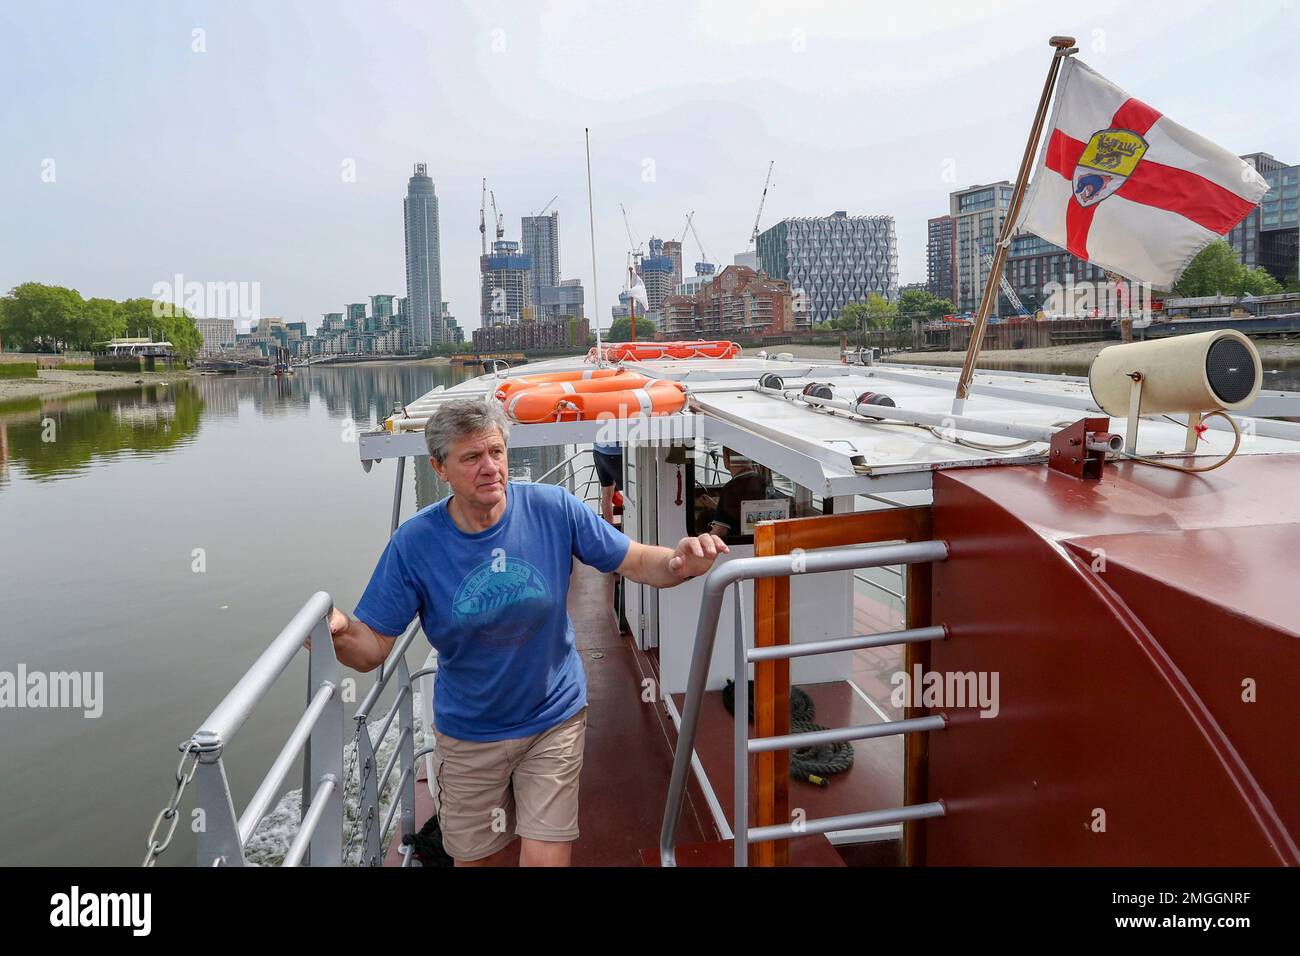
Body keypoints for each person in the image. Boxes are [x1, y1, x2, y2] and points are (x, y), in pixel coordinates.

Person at [324, 399, 728, 867]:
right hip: (470, 734)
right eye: (471, 458)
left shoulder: (552, 509)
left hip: (552, 719)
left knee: (544, 859)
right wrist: (335, 629)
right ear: (439, 468)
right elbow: (371, 648)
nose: (490, 467)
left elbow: (636, 560)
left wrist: (680, 562)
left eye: (496, 451)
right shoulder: (415, 544)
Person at [591, 439, 623, 525]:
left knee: (606, 493)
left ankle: (610, 529)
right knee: (632, 490)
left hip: (598, 452)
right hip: (615, 452)